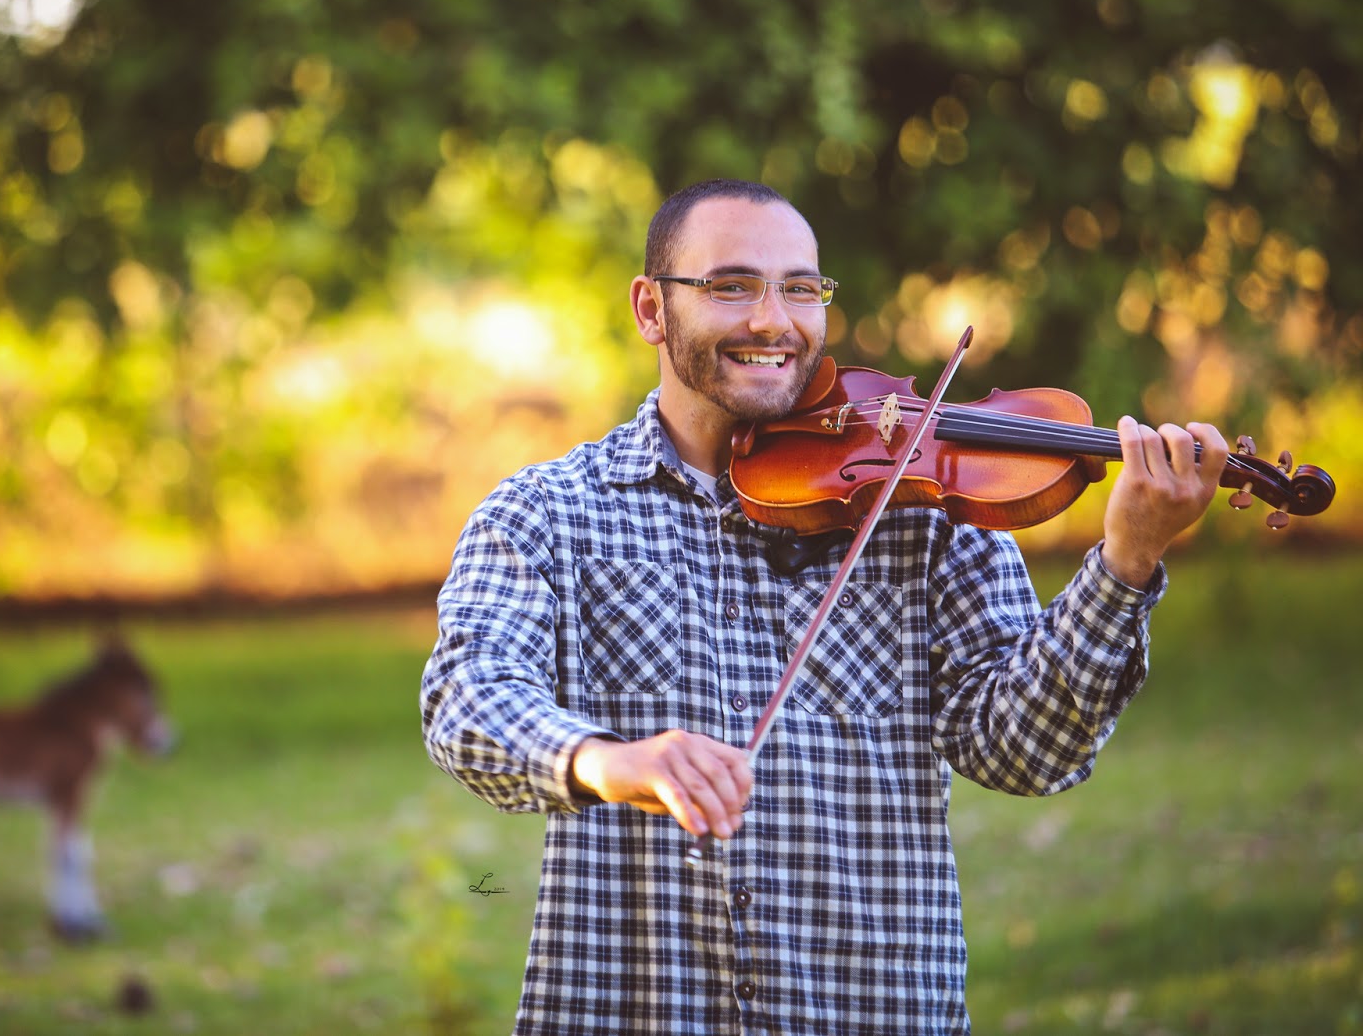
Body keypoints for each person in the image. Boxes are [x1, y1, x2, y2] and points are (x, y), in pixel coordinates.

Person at [420, 178, 1228, 1034]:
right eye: (732, 286)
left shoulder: (923, 504)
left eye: (801, 288)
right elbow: (468, 698)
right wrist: (607, 762)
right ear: (652, 309)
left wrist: (1128, 558)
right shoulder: (548, 513)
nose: (775, 320)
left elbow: (1024, 750)